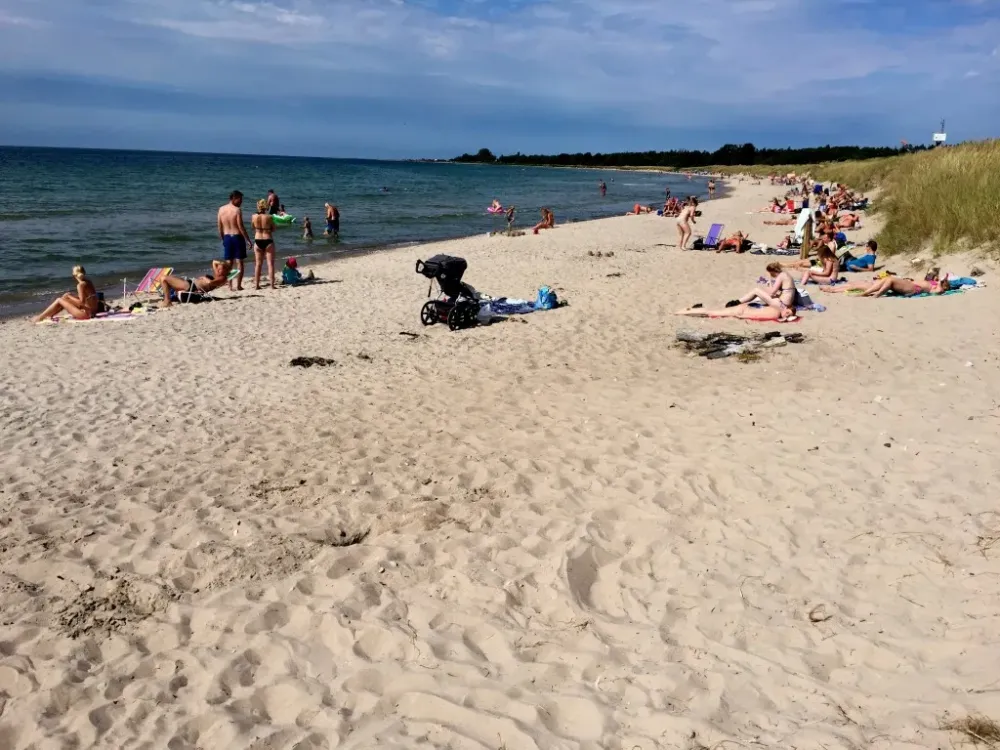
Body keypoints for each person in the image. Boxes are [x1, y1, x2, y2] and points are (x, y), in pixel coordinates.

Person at [731, 262, 797, 320]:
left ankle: (736, 302)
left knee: (756, 290)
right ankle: (738, 302)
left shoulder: (781, 276)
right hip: (785, 304)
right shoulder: (787, 275)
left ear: (772, 271)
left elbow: (772, 293)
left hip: (780, 304)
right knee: (762, 293)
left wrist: (770, 281)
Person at [35, 265, 100, 322]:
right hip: (93, 312)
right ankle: (48, 315)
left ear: (74, 274)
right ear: (84, 272)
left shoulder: (80, 285)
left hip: (86, 314)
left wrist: (69, 296)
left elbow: (81, 303)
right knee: (64, 299)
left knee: (59, 299)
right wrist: (69, 297)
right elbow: (87, 298)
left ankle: (40, 317)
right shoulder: (88, 282)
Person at [159, 260, 233, 307]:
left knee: (164, 278)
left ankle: (167, 301)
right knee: (168, 279)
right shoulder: (218, 274)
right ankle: (167, 299)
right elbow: (214, 262)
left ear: (226, 270)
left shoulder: (222, 278)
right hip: (190, 284)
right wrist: (222, 264)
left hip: (191, 286)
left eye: (220, 269)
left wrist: (204, 278)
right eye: (218, 268)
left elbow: (210, 282)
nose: (218, 270)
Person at [218, 190, 250, 290]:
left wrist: (223, 239)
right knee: (239, 262)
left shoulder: (221, 209)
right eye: (240, 199)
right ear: (234, 198)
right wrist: (248, 239)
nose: (241, 202)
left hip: (227, 237)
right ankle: (238, 286)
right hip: (237, 237)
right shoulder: (237, 210)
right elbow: (240, 226)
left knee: (228, 264)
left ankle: (230, 286)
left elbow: (220, 227)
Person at [823, 276, 951, 297]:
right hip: (910, 283)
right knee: (860, 284)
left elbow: (937, 292)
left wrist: (941, 286)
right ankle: (834, 289)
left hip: (913, 288)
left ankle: (872, 295)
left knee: (890, 280)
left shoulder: (937, 288)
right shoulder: (935, 282)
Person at [251, 198, 277, 290]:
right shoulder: (269, 217)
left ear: (258, 206)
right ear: (265, 207)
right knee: (270, 264)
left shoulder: (254, 216)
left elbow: (253, 227)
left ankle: (257, 285)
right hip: (268, 239)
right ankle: (272, 285)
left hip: (257, 240)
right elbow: (274, 229)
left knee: (258, 264)